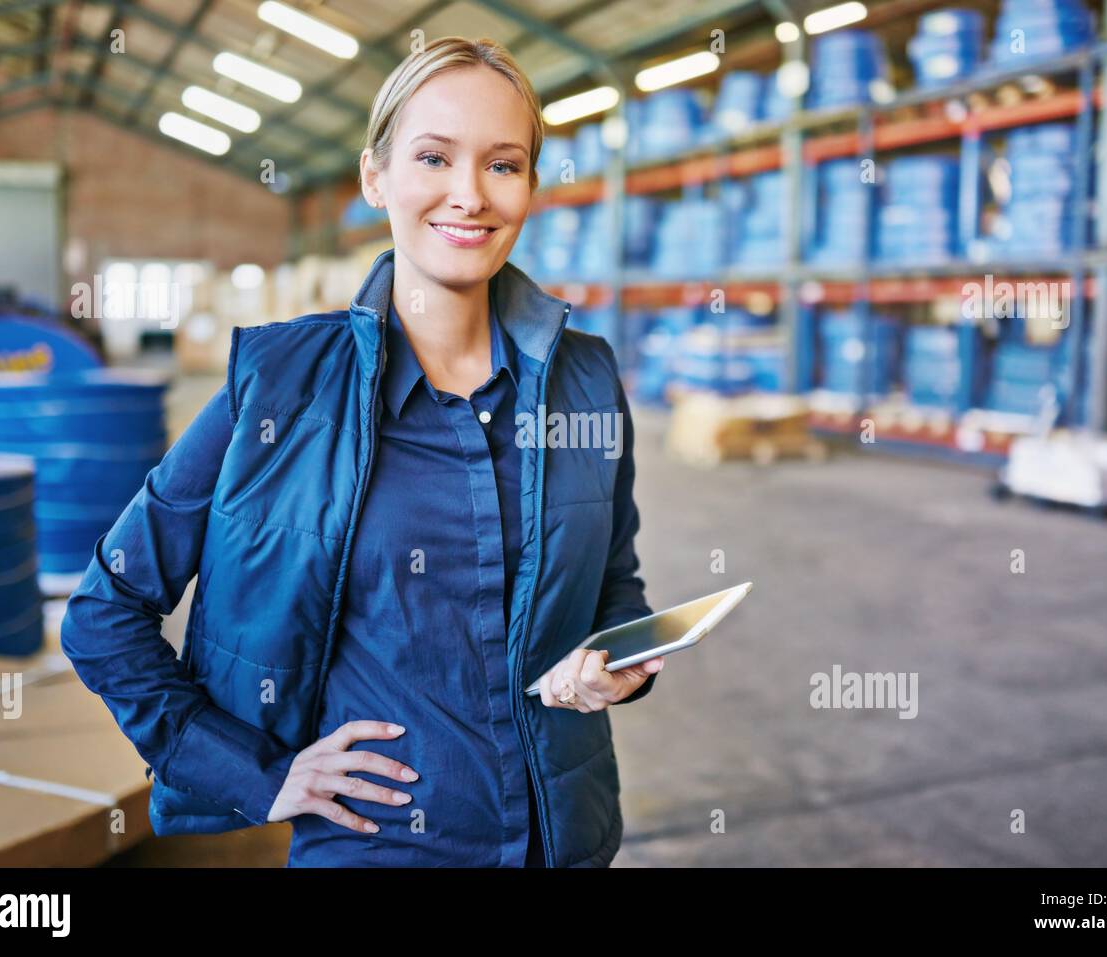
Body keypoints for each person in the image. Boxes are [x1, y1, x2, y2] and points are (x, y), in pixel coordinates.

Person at [61, 35, 663, 868]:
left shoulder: (585, 379)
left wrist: (618, 661)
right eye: (432, 157)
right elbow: (104, 611)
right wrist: (257, 774)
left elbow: (615, 588)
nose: (468, 195)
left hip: (568, 840)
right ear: (374, 176)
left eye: (503, 164)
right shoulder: (279, 385)